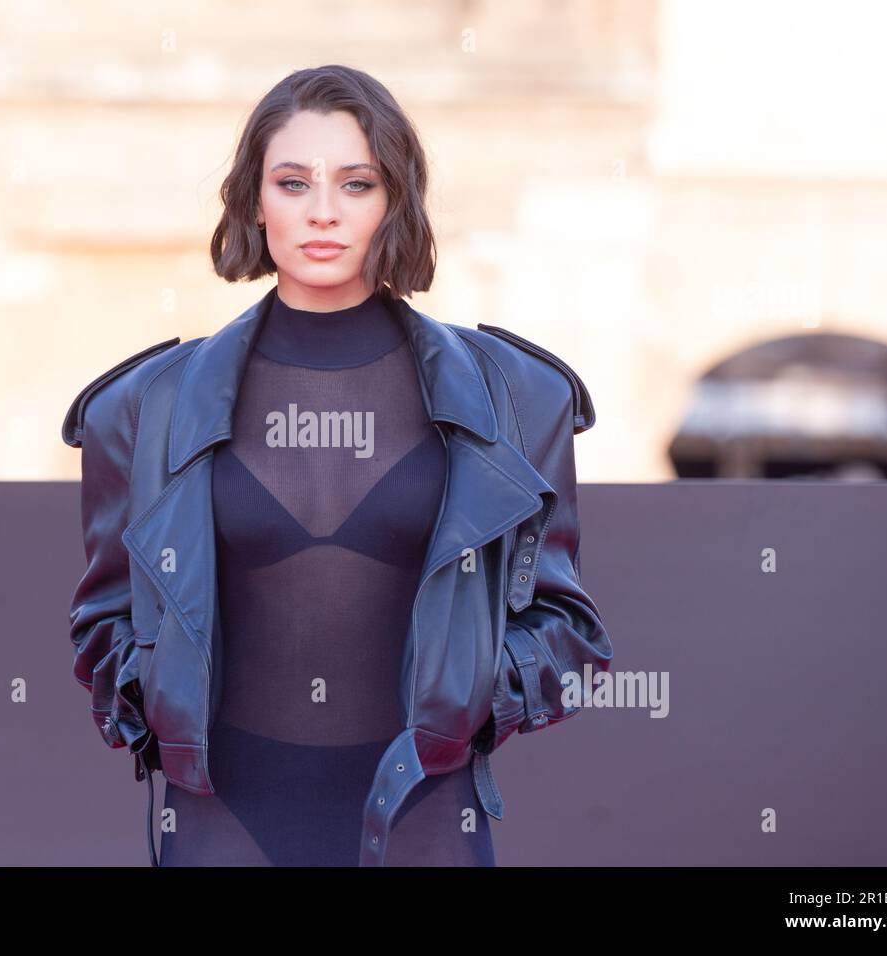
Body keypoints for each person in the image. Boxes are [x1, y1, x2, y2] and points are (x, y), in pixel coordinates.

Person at [64, 64, 613, 866]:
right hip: (220, 825)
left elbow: (568, 629)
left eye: (357, 183)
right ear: (255, 199)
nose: (323, 211)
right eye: (293, 182)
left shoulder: (517, 398)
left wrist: (461, 708)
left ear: (396, 199)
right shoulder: (143, 408)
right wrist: (163, 702)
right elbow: (103, 622)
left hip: (429, 818)